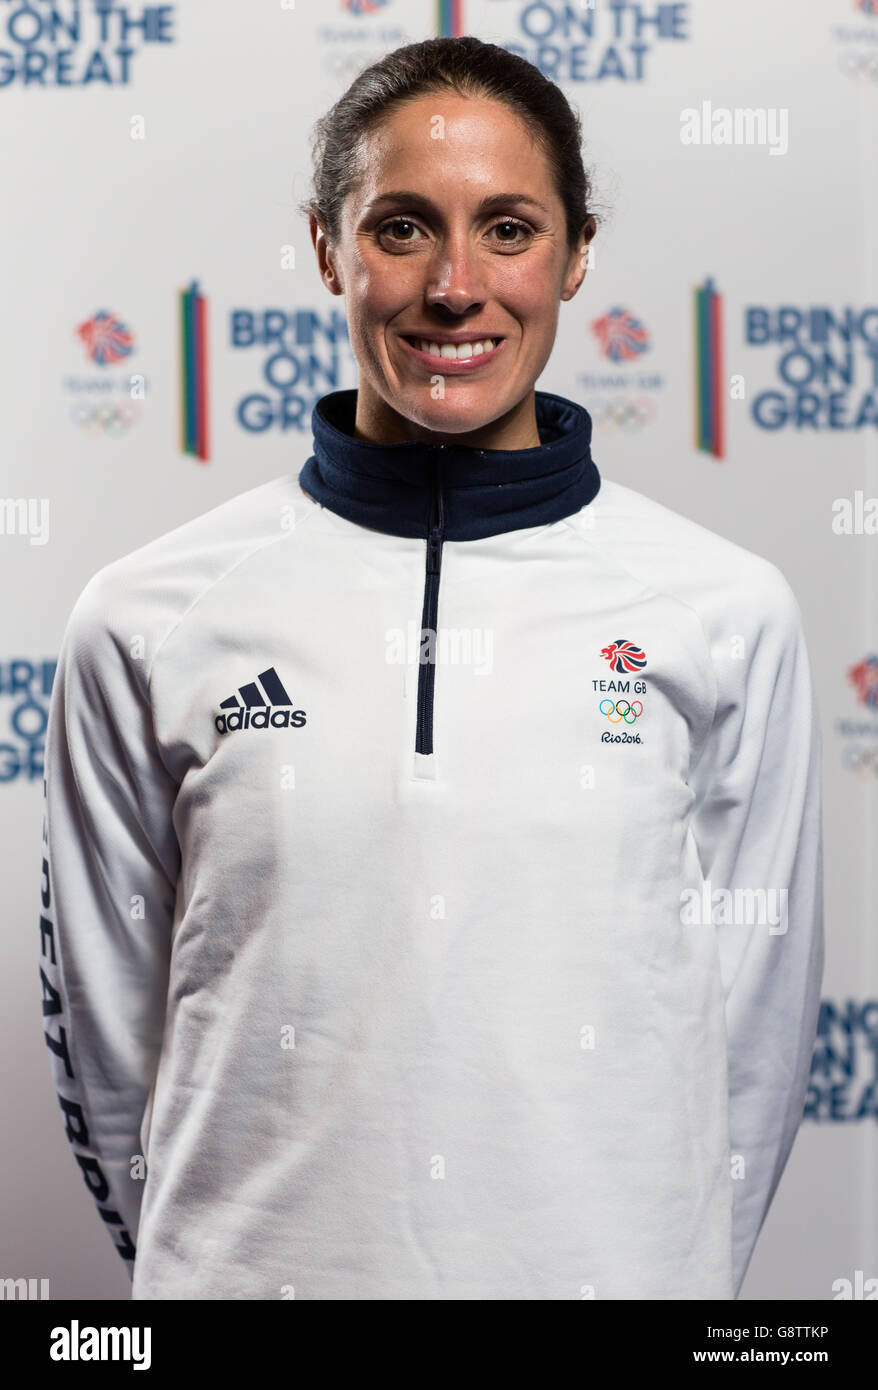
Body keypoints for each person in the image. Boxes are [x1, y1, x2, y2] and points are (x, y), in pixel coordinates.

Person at [38, 35, 824, 1300]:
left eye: (506, 229)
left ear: (575, 254)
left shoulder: (723, 610)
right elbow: (113, 1038)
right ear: (324, 249)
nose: (456, 286)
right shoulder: (145, 614)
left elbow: (754, 1034)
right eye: (402, 228)